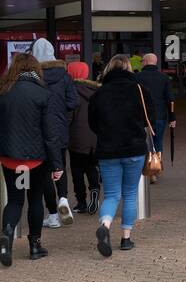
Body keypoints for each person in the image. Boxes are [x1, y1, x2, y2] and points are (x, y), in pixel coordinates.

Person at [0, 53, 65, 266]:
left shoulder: (1, 91)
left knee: (14, 200)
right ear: (35, 69)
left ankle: (6, 236)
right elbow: (51, 133)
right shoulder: (43, 94)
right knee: (35, 200)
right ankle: (34, 245)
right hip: (35, 159)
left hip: (10, 157)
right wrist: (57, 164)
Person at [89, 54, 150, 256]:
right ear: (128, 69)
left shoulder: (99, 93)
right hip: (134, 148)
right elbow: (151, 117)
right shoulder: (140, 90)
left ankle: (105, 226)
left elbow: (93, 124)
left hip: (108, 150)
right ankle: (126, 238)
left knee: (112, 194)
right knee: (130, 193)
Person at [30, 38, 78, 227]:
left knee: (45, 172)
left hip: (39, 128)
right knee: (60, 165)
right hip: (59, 127)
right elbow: (72, 102)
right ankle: (64, 198)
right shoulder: (64, 75)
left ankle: (52, 215)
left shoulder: (33, 75)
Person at [66, 61, 102, 214]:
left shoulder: (71, 91)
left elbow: (69, 117)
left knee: (77, 170)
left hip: (76, 138)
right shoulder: (97, 91)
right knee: (91, 167)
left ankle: (81, 202)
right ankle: (95, 190)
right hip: (95, 136)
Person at [136, 52, 175, 181]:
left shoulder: (138, 77)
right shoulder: (164, 78)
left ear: (146, 62)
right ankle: (156, 168)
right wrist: (172, 117)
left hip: (143, 116)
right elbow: (170, 99)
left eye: (142, 60)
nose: (141, 62)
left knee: (145, 142)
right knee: (158, 142)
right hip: (160, 115)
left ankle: (147, 168)